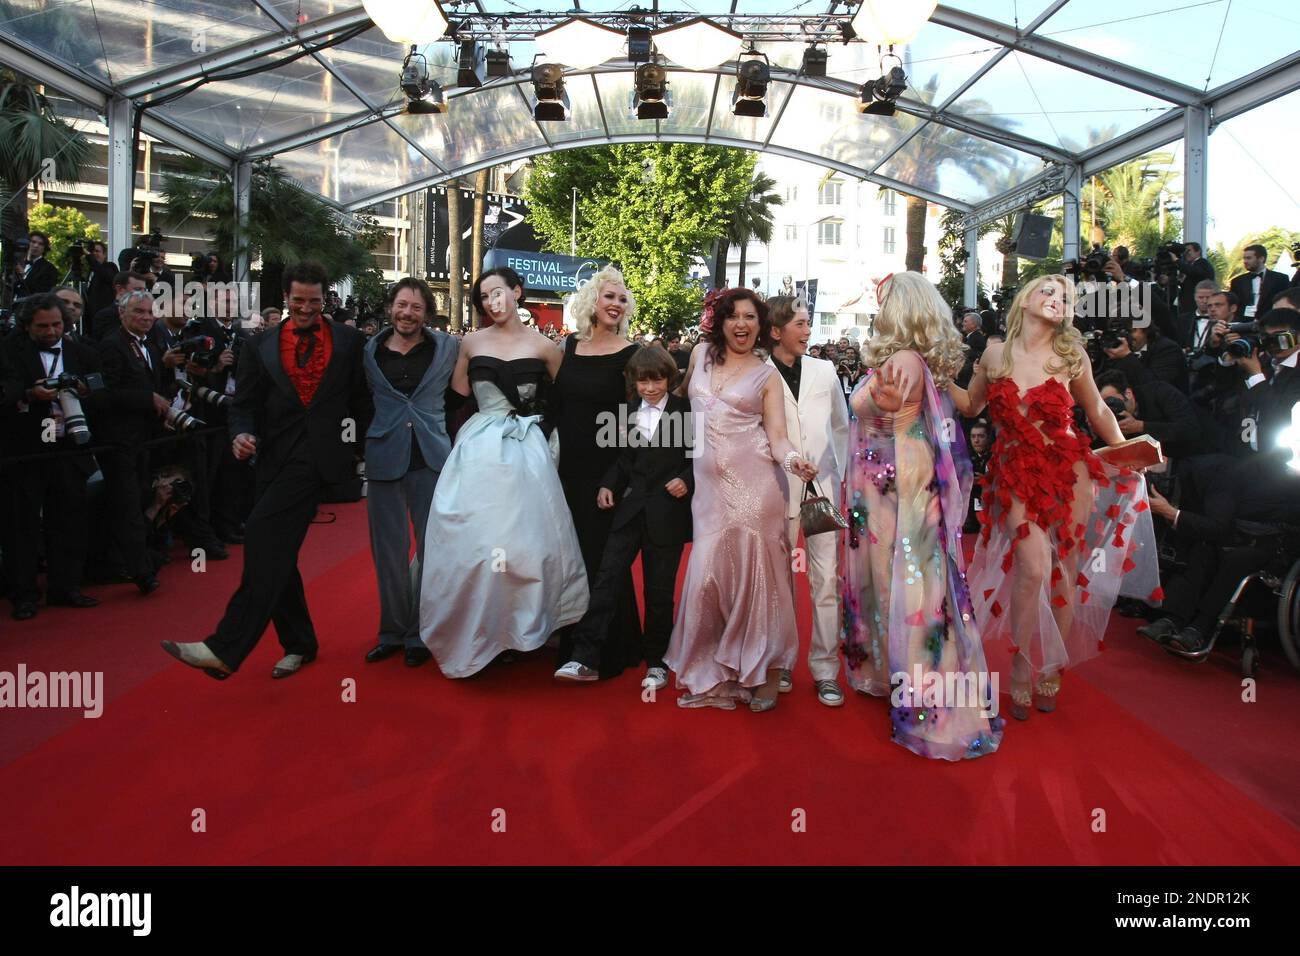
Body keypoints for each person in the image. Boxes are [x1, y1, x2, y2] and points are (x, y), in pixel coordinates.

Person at [947, 274, 1160, 719]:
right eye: (1048, 290)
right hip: (1013, 471)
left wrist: (1126, 451)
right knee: (1032, 567)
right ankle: (1023, 665)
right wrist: (936, 375)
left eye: (1065, 297)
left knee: (1064, 571)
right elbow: (971, 406)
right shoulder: (993, 354)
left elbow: (1097, 410)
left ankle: (1052, 668)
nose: (1057, 298)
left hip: (1068, 469)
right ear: (1024, 299)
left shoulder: (1071, 355)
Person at [161, 261, 373, 680]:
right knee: (276, 552)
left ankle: (224, 648)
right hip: (272, 457)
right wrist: (241, 434)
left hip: (320, 458)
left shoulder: (349, 341)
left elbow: (362, 401)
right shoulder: (260, 345)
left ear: (325, 298)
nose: (308, 309)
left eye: (315, 301)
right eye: (299, 301)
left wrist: (362, 449)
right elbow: (244, 405)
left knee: (260, 535)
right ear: (286, 299)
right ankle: (299, 643)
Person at [843, 273, 1003, 759]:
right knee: (914, 585)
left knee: (911, 590)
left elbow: (888, 413)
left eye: (882, 303)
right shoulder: (919, 363)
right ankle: (910, 683)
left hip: (898, 487)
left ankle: (929, 706)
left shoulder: (903, 360)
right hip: (898, 482)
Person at [418, 267, 588, 677]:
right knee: (476, 544)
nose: (492, 302)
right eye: (484, 298)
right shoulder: (471, 342)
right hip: (480, 451)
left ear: (516, 292)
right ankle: (480, 632)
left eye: (497, 293)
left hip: (530, 450)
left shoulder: (546, 347)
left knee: (528, 544)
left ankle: (524, 627)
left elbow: (567, 401)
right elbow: (456, 397)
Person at [666, 288, 818, 712]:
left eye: (750, 317)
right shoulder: (700, 356)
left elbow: (777, 437)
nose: (741, 324)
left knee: (760, 583)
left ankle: (766, 674)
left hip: (757, 493)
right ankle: (715, 669)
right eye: (733, 316)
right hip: (709, 495)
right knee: (710, 577)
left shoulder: (766, 375)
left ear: (761, 326)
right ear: (720, 321)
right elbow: (677, 403)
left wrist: (794, 462)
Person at [555, 346, 692, 688]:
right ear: (633, 381)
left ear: (669, 378)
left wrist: (686, 480)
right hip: (628, 511)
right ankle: (584, 657)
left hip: (668, 514)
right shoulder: (625, 412)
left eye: (656, 380)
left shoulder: (686, 412)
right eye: (643, 381)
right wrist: (607, 486)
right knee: (606, 581)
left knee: (659, 592)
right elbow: (621, 461)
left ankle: (657, 661)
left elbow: (699, 460)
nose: (649, 387)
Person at [362, 278, 457, 668]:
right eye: (402, 305)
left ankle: (419, 634)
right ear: (391, 307)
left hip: (431, 457)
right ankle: (391, 632)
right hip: (385, 456)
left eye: (416, 308)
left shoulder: (447, 348)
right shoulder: (368, 350)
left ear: (426, 313)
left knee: (432, 552)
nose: (407, 313)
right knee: (389, 552)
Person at [552, 266, 642, 676]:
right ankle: (570, 639)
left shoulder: (633, 355)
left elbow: (641, 422)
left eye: (622, 299)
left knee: (605, 558)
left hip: (608, 472)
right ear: (592, 301)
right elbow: (553, 408)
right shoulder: (567, 347)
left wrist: (621, 477)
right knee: (569, 553)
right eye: (609, 297)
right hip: (565, 469)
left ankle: (607, 648)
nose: (616, 304)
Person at [765, 295, 849, 706]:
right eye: (799, 323)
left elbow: (841, 426)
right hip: (776, 491)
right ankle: (780, 663)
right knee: (779, 581)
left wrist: (838, 474)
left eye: (808, 322)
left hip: (822, 492)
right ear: (777, 330)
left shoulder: (825, 369)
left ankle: (825, 670)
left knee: (826, 581)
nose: (808, 330)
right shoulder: (759, 372)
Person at [0, 294, 105, 619]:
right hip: (25, 449)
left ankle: (66, 587)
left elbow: (101, 390)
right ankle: (24, 594)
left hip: (69, 447)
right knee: (22, 524)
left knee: (70, 519)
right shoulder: (8, 350)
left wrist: (86, 392)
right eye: (42, 326)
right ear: (28, 325)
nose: (50, 331)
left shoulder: (82, 352)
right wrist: (30, 394)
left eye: (56, 325)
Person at [96, 289, 172, 596]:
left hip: (145, 438)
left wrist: (161, 403)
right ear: (121, 314)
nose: (145, 317)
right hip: (118, 440)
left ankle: (142, 561)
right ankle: (139, 570)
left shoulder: (150, 346)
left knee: (142, 498)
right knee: (127, 505)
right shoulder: (111, 346)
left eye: (150, 313)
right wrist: (147, 398)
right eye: (138, 312)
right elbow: (105, 394)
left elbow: (153, 385)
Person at [1229, 245, 1289, 320]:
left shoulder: (1280, 279)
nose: (1245, 261)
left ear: (1261, 259)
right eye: (1244, 258)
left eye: (1249, 258)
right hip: (1244, 324)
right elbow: (1233, 304)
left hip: (1271, 321)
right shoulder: (1237, 281)